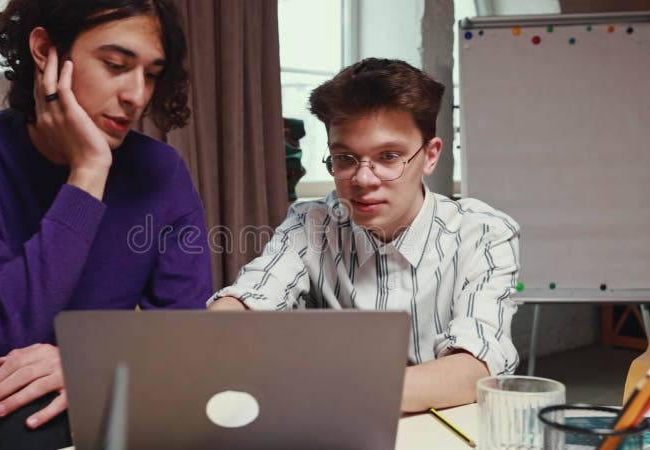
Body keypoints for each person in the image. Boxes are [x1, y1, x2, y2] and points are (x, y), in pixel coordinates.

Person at [0, 1, 212, 448]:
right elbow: (2, 335)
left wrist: (89, 364)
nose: (137, 95)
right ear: (45, 51)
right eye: (115, 64)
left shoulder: (162, 172)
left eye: (151, 73)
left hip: (99, 376)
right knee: (38, 417)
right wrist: (89, 173)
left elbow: (185, 332)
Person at [209, 57, 520, 412]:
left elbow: (475, 368)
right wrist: (215, 336)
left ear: (430, 156)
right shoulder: (311, 223)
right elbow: (249, 298)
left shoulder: (484, 232)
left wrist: (333, 388)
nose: (362, 179)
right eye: (345, 158)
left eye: (388, 156)